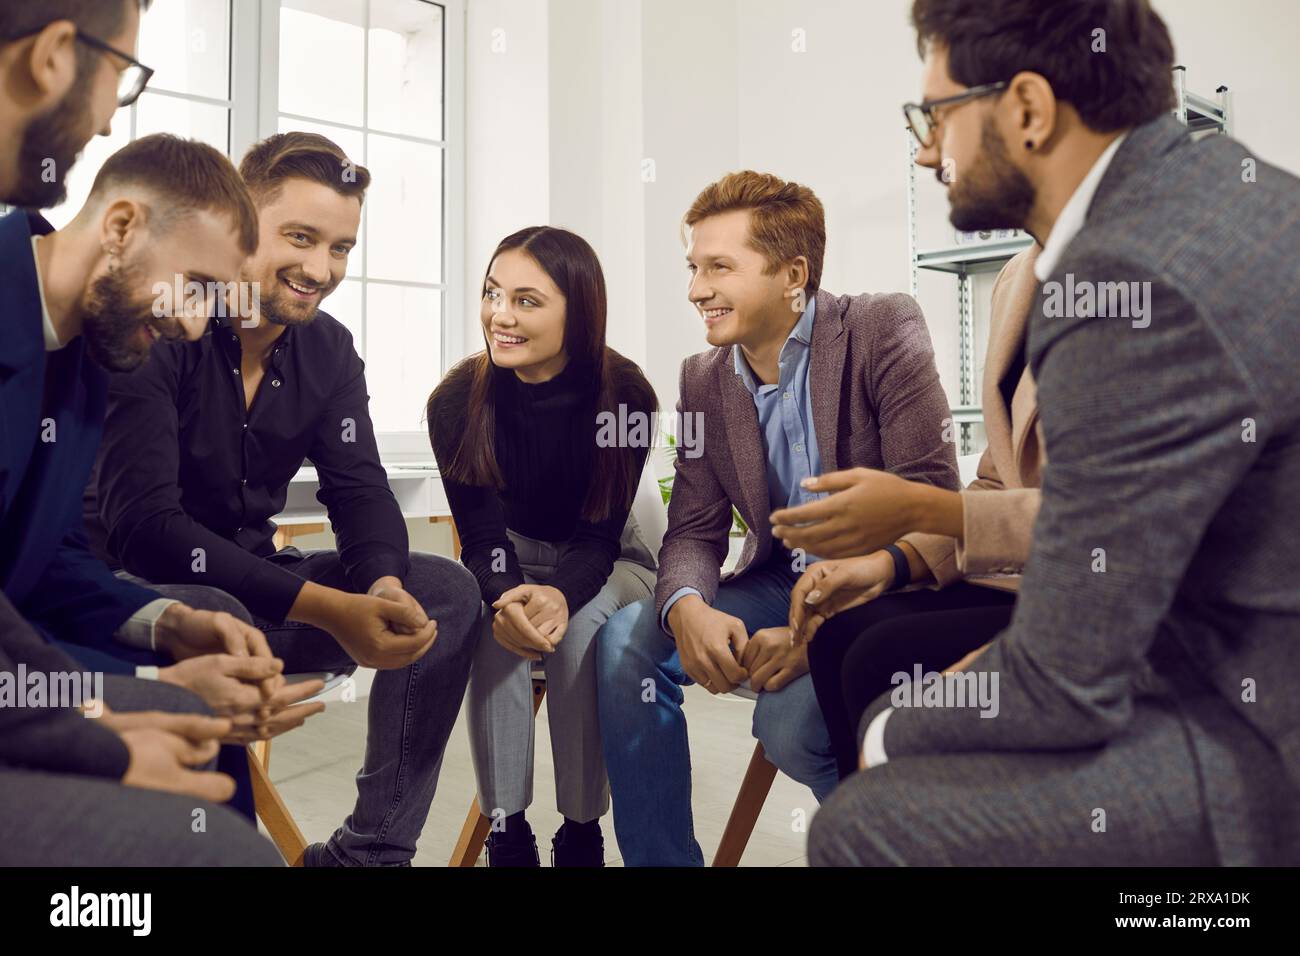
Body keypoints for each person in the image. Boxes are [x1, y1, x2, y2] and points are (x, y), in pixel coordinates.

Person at [810, 0, 1300, 867]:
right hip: (1209, 651)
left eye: (937, 117)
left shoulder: (1125, 278)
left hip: (1258, 735)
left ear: (1029, 109)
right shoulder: (1220, 190)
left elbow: (1067, 684)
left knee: (866, 819)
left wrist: (894, 731)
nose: (927, 152)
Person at [88, 131, 483, 868]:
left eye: (340, 249)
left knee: (448, 592)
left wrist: (382, 585)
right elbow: (146, 528)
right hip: (135, 601)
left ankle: (369, 856)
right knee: (220, 612)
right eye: (300, 238)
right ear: (239, 224)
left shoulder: (328, 349)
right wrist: (334, 611)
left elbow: (360, 490)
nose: (321, 268)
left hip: (259, 591)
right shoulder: (163, 322)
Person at [596, 170, 960, 865]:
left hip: (885, 586)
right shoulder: (702, 378)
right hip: (776, 581)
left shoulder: (882, 328)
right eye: (694, 267)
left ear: (793, 274)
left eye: (720, 267)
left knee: (791, 725)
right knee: (624, 646)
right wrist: (685, 608)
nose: (697, 288)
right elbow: (695, 528)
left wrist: (818, 632)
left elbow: (934, 499)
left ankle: (904, 846)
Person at [0, 0, 280, 866]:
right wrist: (127, 704)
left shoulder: (89, 354)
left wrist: (164, 627)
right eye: (194, 286)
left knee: (210, 643)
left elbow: (47, 561)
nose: (199, 327)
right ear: (120, 228)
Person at [427, 226, 659, 867]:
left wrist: (557, 594)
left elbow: (599, 538)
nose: (499, 315)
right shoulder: (455, 402)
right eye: (491, 294)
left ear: (577, 311)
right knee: (494, 623)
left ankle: (581, 831)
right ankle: (507, 832)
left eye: (526, 301)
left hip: (615, 560)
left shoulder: (626, 395)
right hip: (510, 555)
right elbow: (480, 537)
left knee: (580, 623)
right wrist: (507, 597)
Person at [782, 245, 1041, 780]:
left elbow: (1114, 515)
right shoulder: (1018, 279)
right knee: (840, 634)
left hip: (1096, 587)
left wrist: (920, 506)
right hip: (1015, 575)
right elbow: (996, 483)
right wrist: (887, 566)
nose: (930, 156)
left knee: (881, 655)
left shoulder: (1137, 287)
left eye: (718, 266)